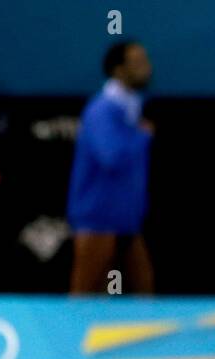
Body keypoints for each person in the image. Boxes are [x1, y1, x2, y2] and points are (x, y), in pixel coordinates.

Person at [66, 41, 155, 294]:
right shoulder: (101, 111)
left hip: (127, 221)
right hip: (98, 221)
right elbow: (111, 157)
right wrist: (140, 135)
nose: (146, 68)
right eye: (137, 63)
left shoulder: (131, 109)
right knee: (86, 296)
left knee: (143, 294)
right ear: (118, 70)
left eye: (145, 61)